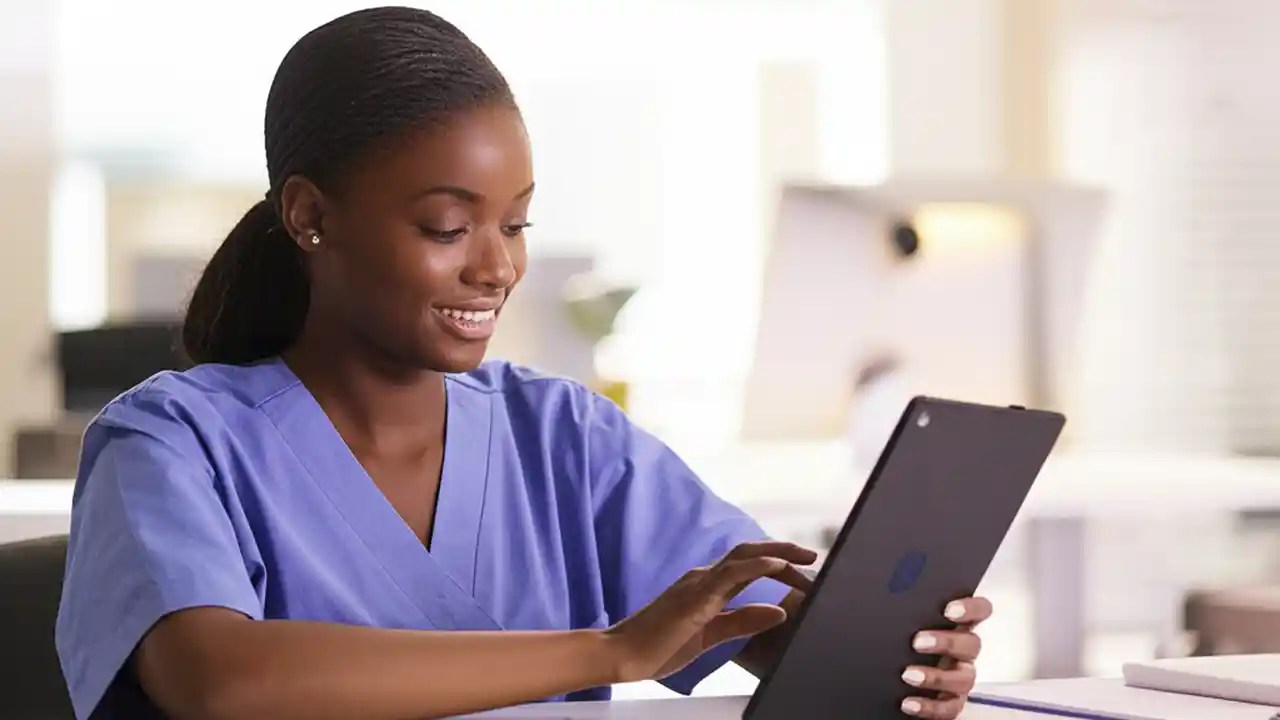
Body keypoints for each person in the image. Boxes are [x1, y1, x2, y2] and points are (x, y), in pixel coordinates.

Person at [55, 7, 992, 720]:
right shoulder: (172, 441)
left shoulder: (561, 437)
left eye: (514, 224)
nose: (497, 266)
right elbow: (218, 677)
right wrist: (610, 653)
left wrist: (890, 664)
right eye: (447, 227)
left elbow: (753, 631)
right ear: (311, 216)